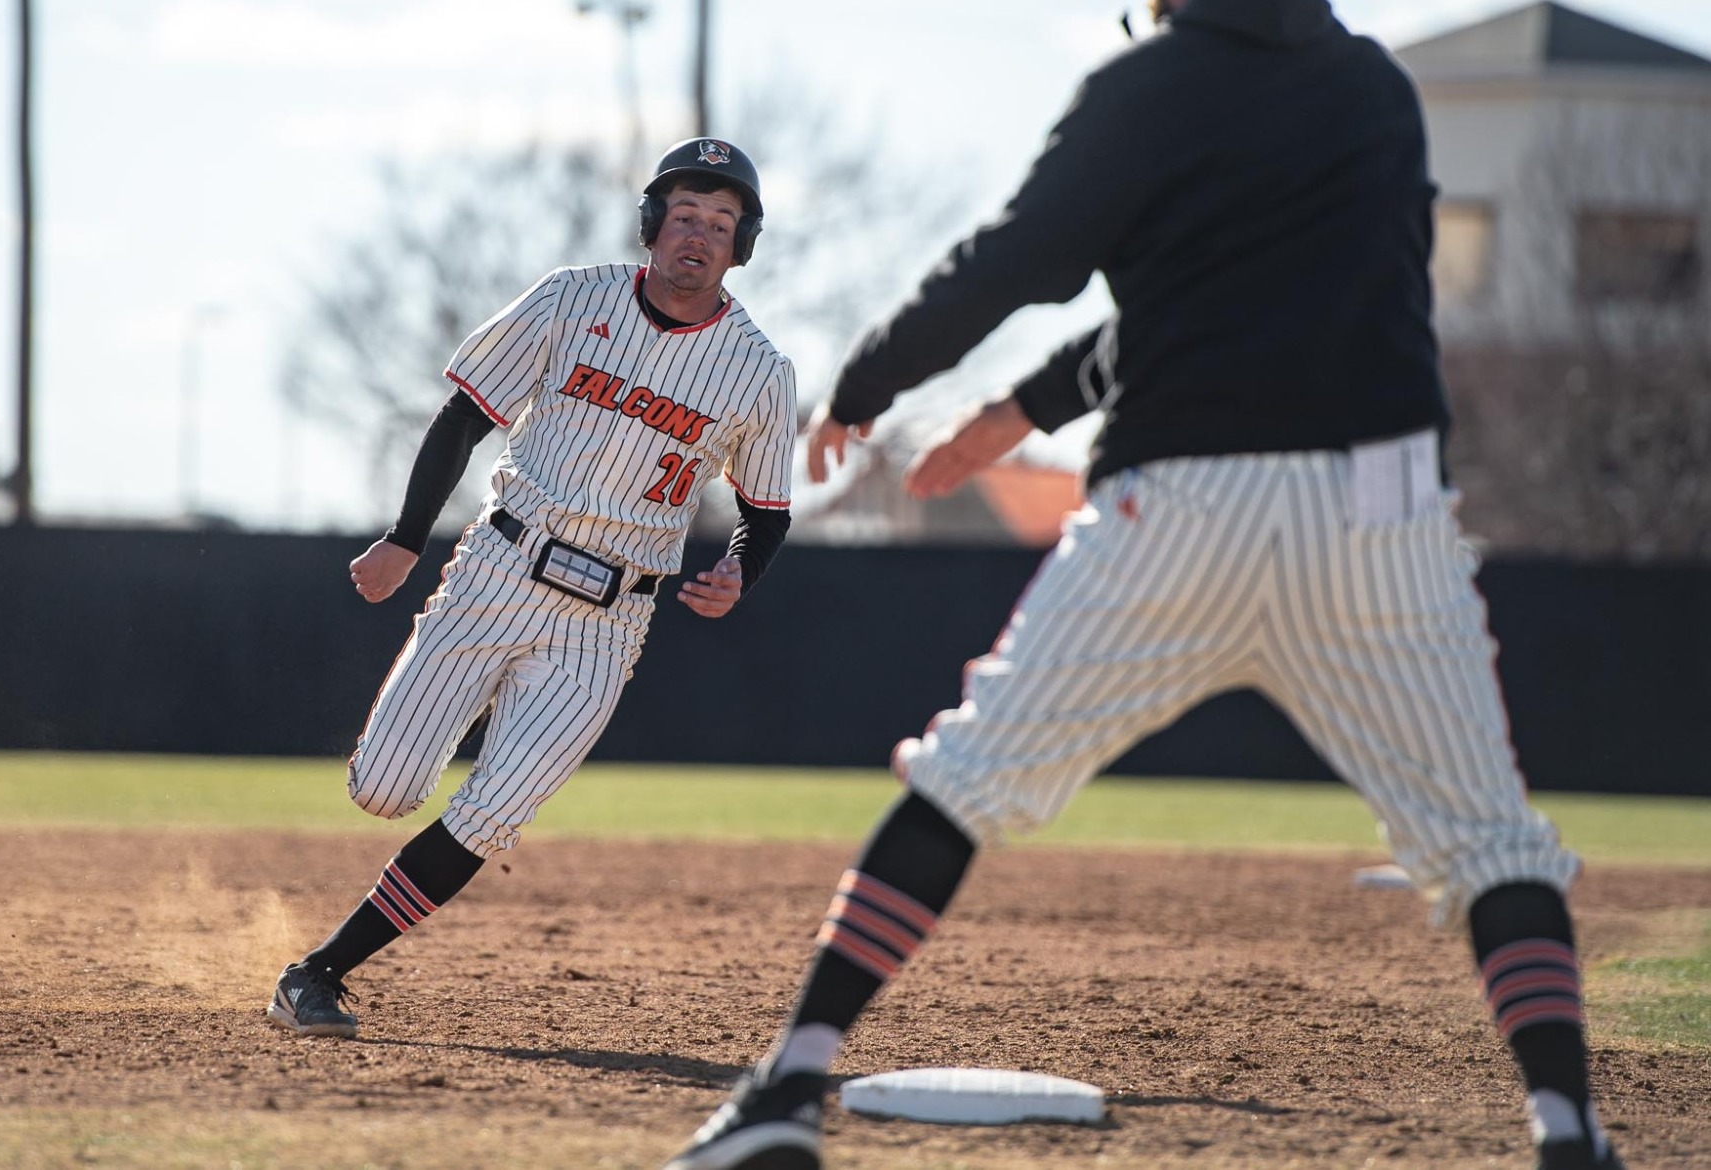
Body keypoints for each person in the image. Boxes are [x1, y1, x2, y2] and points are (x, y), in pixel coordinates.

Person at [663, 3, 1623, 1169]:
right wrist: (1022, 413)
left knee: (967, 780)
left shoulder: (1149, 86)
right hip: (1380, 510)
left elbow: (1018, 262)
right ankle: (1569, 1135)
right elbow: (1237, 298)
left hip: (1180, 509)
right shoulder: (1375, 91)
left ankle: (787, 1091)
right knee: (1490, 841)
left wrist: (869, 379)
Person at [266, 137, 796, 1042]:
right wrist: (404, 538)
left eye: (721, 221)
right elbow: (464, 415)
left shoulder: (759, 370)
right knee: (386, 791)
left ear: (741, 243)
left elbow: (767, 508)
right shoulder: (571, 298)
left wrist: (740, 568)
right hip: (501, 568)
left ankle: (317, 972)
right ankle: (402, 769)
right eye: (683, 215)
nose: (698, 236)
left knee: (491, 812)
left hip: (611, 617)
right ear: (651, 224)